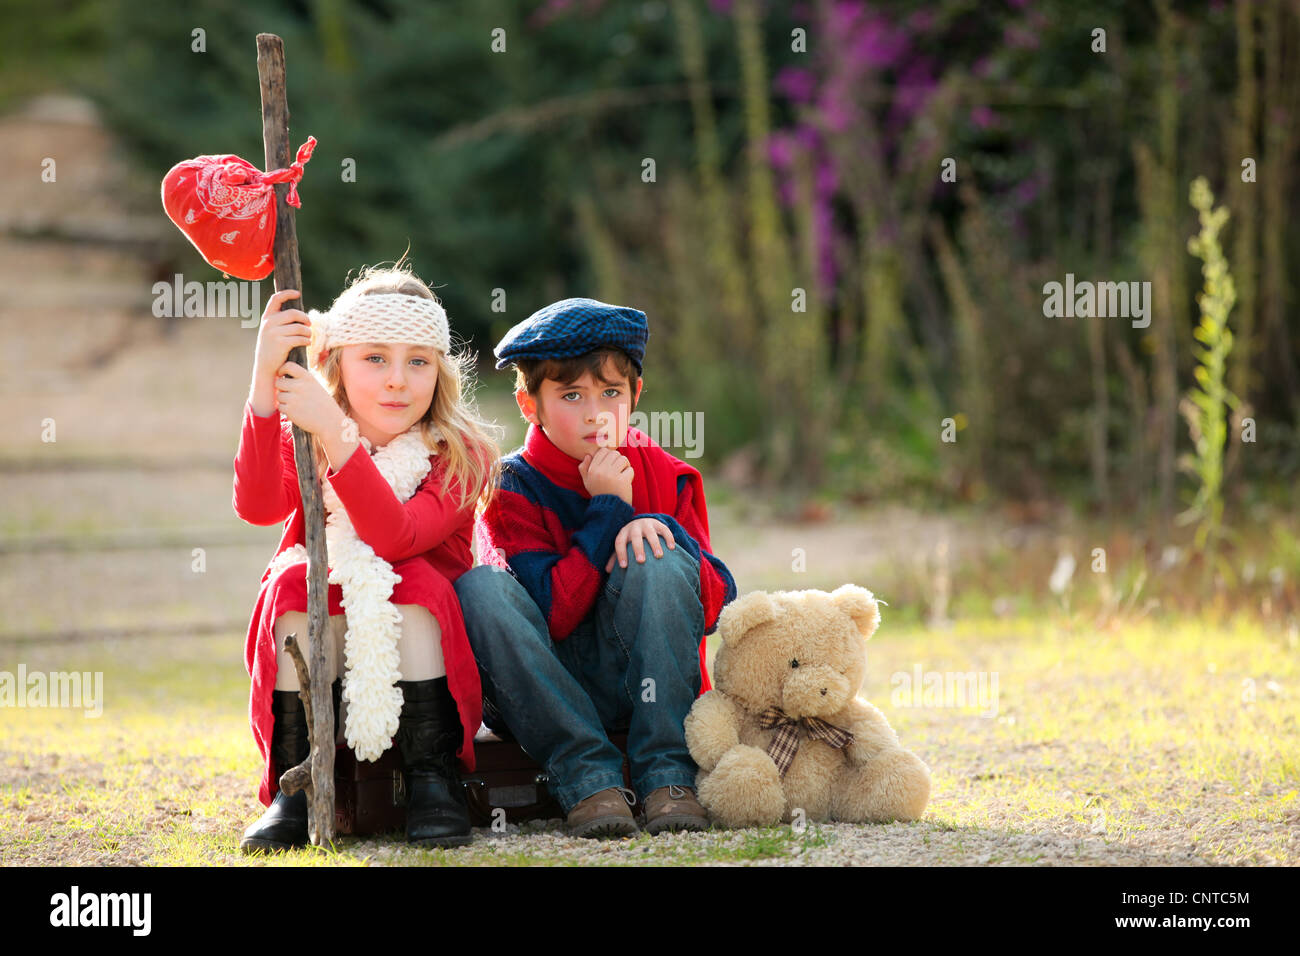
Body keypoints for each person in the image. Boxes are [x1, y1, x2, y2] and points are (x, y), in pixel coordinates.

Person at [232, 262, 500, 852]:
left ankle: (433, 777)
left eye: (419, 361)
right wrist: (263, 383)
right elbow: (255, 505)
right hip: (329, 646)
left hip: (421, 654)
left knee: (418, 584)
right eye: (375, 358)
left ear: (440, 371)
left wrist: (337, 435)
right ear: (337, 363)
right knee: (295, 581)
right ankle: (295, 785)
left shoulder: (460, 453)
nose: (398, 381)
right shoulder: (306, 433)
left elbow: (397, 537)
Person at [455, 297, 737, 838]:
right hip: (546, 690)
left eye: (610, 393)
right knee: (479, 588)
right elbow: (552, 614)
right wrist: (608, 510)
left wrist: (660, 530)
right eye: (571, 395)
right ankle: (587, 779)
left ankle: (667, 776)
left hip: (640, 686)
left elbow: (717, 599)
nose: (594, 414)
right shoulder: (511, 486)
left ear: (635, 395)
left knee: (656, 555)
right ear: (528, 404)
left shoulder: (666, 473)